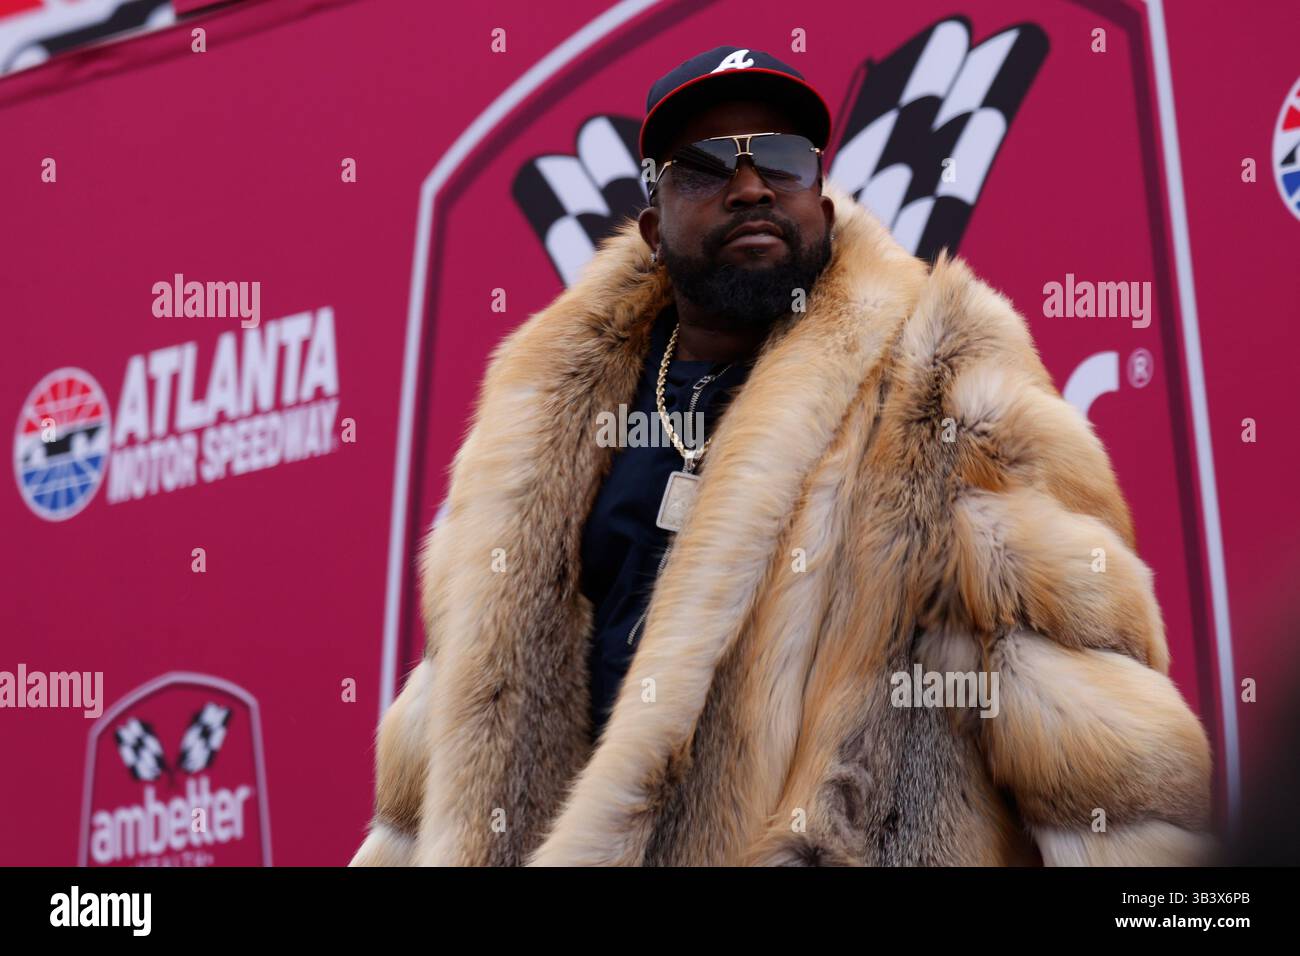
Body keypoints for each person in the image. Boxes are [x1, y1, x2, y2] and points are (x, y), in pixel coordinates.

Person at [351, 46, 1214, 866]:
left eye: (781, 160)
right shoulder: (538, 423)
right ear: (653, 226)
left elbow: (1079, 701)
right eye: (706, 166)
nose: (750, 185)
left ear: (823, 205)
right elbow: (450, 737)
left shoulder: (941, 369)